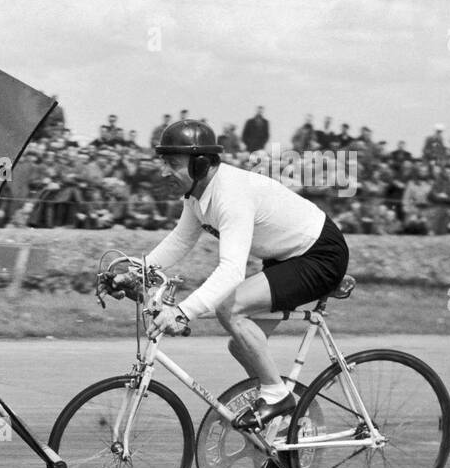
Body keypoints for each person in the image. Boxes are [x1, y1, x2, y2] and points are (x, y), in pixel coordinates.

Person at [142, 119, 349, 434]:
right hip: (285, 257)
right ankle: (288, 423)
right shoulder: (197, 196)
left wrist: (183, 311)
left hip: (318, 254)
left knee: (230, 310)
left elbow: (231, 270)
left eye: (172, 164)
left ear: (200, 165)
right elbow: (180, 241)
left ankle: (278, 396)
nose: (163, 172)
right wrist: (136, 269)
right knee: (241, 344)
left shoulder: (231, 194)